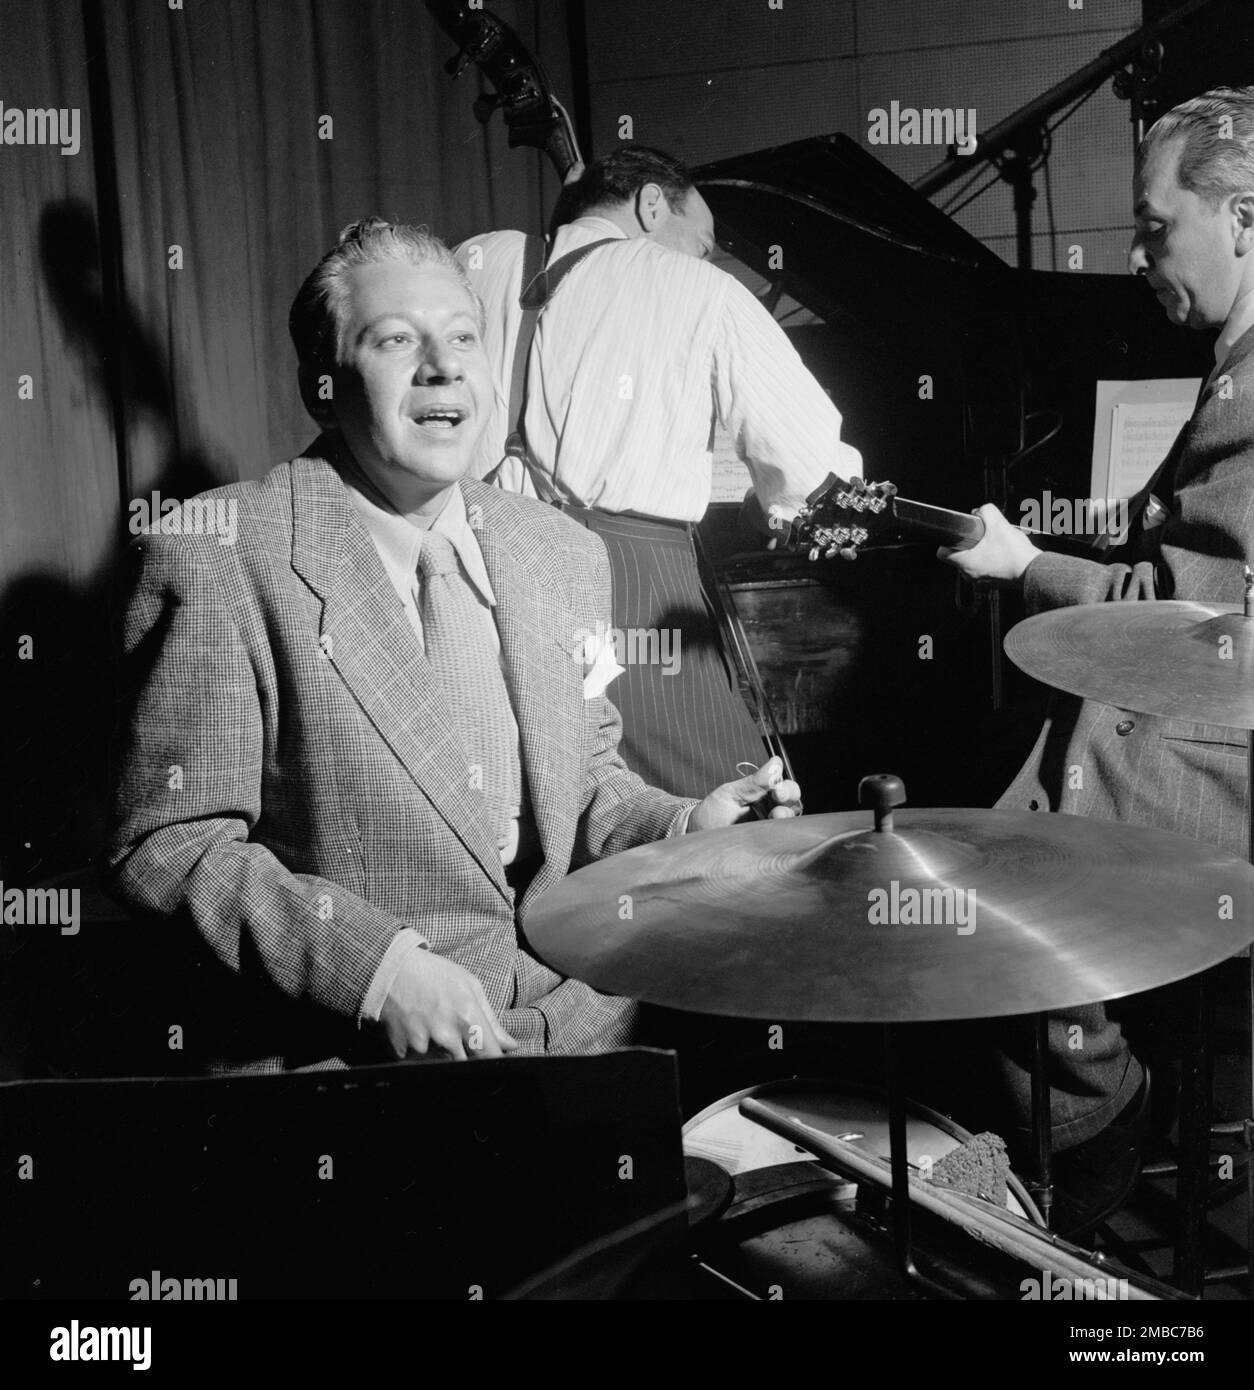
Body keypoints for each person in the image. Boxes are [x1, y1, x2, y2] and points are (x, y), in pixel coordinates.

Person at [104, 218, 800, 1074]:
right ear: (323, 388)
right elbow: (167, 847)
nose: (443, 364)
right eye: (397, 339)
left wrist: (691, 823)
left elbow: (588, 785)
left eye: (463, 335)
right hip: (362, 1072)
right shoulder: (218, 554)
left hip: (585, 1029)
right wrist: (378, 972)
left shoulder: (562, 553)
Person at [939, 86, 1254, 1233]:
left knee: (997, 884)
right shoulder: (1236, 368)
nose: (1136, 253)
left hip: (1223, 759)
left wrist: (1024, 563)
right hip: (1217, 722)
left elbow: (1185, 615)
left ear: (1244, 220)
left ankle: (1083, 1130)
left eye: (1156, 225)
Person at [456, 147, 862, 797]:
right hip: (628, 584)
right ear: (650, 204)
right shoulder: (699, 290)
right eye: (700, 244)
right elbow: (811, 468)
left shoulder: (477, 260)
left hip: (463, 567)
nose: (702, 260)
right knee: (721, 813)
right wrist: (779, 509)